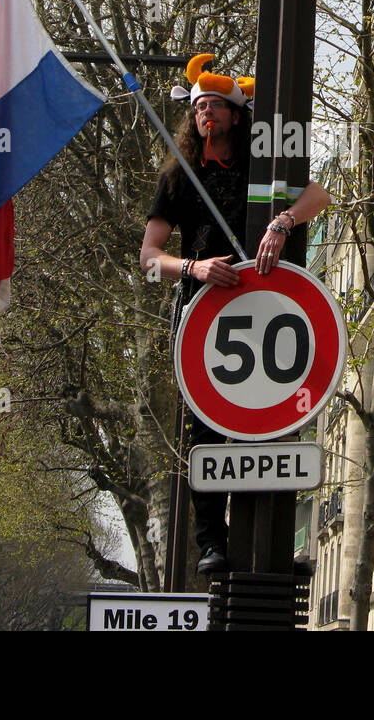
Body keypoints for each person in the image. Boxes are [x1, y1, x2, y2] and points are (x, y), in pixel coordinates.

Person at [140, 53, 330, 576]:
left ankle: (274, 541)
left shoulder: (261, 168)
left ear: (236, 116)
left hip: (265, 307)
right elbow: (149, 261)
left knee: (272, 421)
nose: (206, 114)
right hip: (201, 313)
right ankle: (211, 542)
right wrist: (194, 269)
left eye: (216, 106)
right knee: (204, 427)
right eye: (199, 106)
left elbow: (320, 193)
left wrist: (283, 223)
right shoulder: (177, 179)